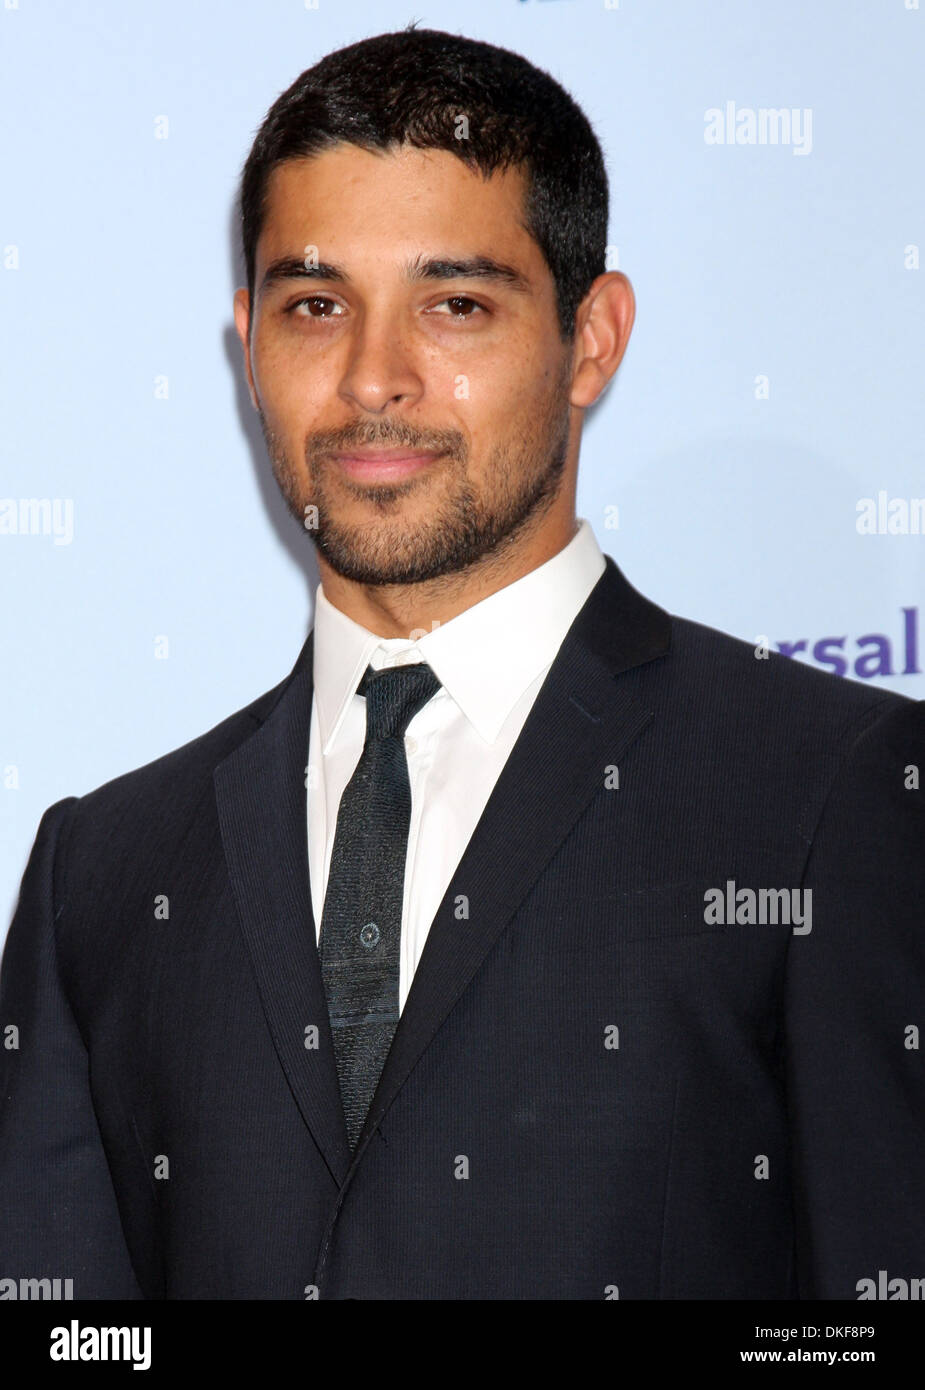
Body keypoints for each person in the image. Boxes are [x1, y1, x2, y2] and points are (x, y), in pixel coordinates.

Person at [1, 25, 923, 1301]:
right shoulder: (98, 872)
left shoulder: (829, 795)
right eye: (315, 306)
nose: (375, 379)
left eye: (456, 305)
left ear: (591, 339)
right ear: (247, 340)